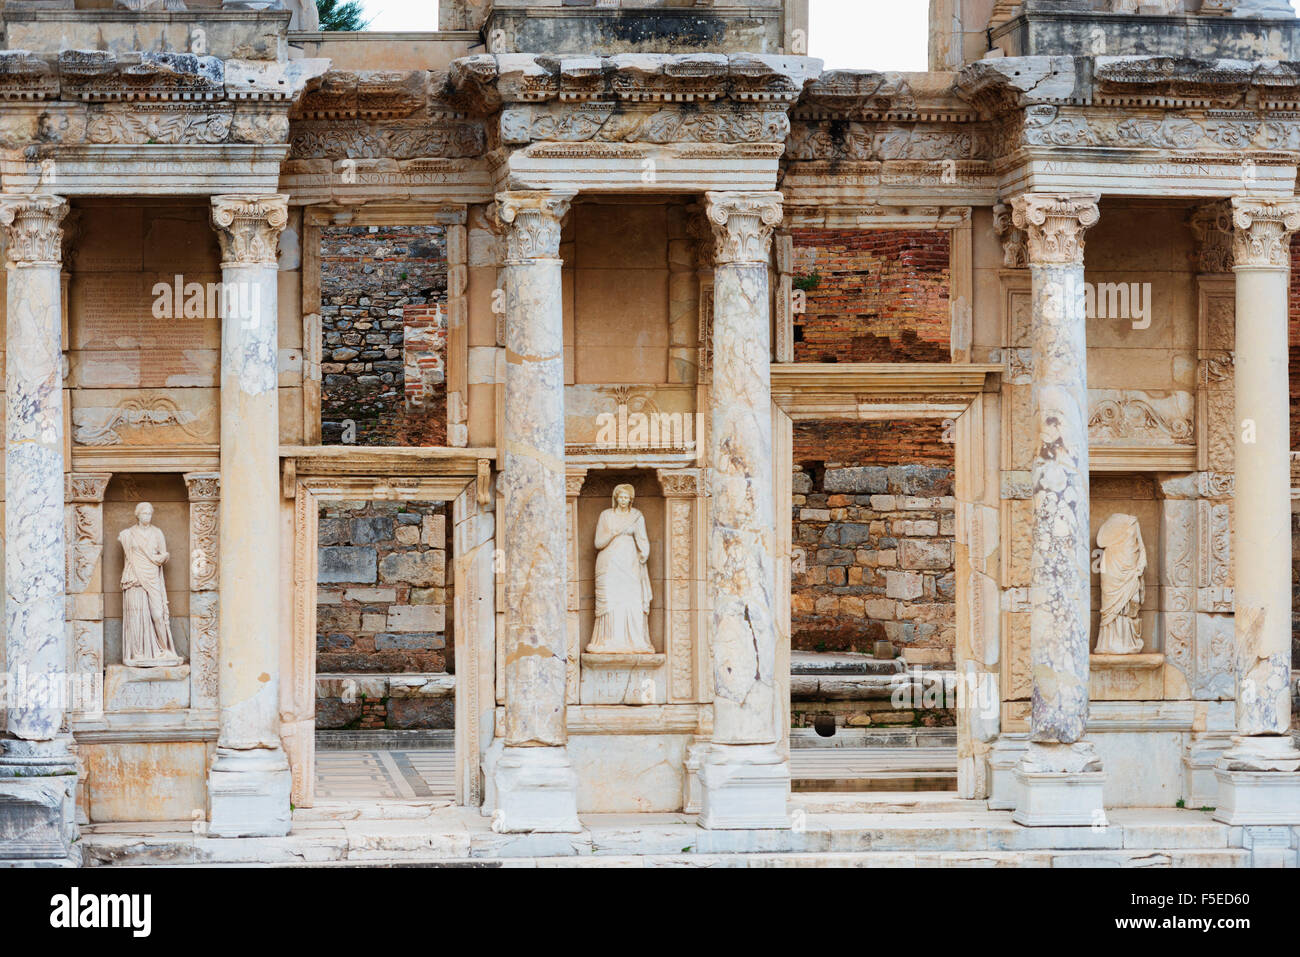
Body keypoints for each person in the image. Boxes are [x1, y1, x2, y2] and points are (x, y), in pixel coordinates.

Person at [589, 484, 654, 654]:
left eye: (627, 498)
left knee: (632, 597)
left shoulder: (636, 516)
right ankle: (610, 639)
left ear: (630, 500)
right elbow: (598, 543)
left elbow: (642, 539)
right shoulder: (606, 515)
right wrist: (612, 534)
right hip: (610, 562)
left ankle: (635, 640)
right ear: (616, 498)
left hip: (630, 562)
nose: (624, 501)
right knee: (612, 599)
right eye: (621, 497)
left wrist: (644, 554)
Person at [120, 502, 182, 667]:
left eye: (149, 513)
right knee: (136, 615)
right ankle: (138, 652)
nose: (147, 516)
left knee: (158, 614)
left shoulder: (157, 533)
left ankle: (164, 649)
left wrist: (162, 557)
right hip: (135, 576)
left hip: (152, 575)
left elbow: (164, 553)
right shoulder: (128, 534)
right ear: (138, 515)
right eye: (144, 513)